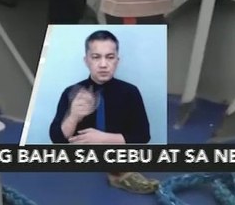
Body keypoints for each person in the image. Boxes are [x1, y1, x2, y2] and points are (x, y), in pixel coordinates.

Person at [48, 30, 155, 193]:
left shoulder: (130, 92)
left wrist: (103, 138)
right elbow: (56, 139)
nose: (103, 64)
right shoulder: (72, 92)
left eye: (110, 57)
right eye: (96, 57)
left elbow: (143, 136)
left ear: (117, 61)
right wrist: (73, 117)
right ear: (86, 60)